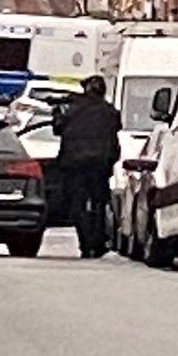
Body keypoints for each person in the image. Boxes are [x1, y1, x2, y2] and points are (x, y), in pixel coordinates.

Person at [53, 75, 121, 258]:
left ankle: (85, 243)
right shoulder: (110, 112)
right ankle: (98, 242)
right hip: (100, 166)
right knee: (99, 204)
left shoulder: (72, 109)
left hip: (75, 166)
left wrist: (58, 112)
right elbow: (115, 138)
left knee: (77, 205)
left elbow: (57, 128)